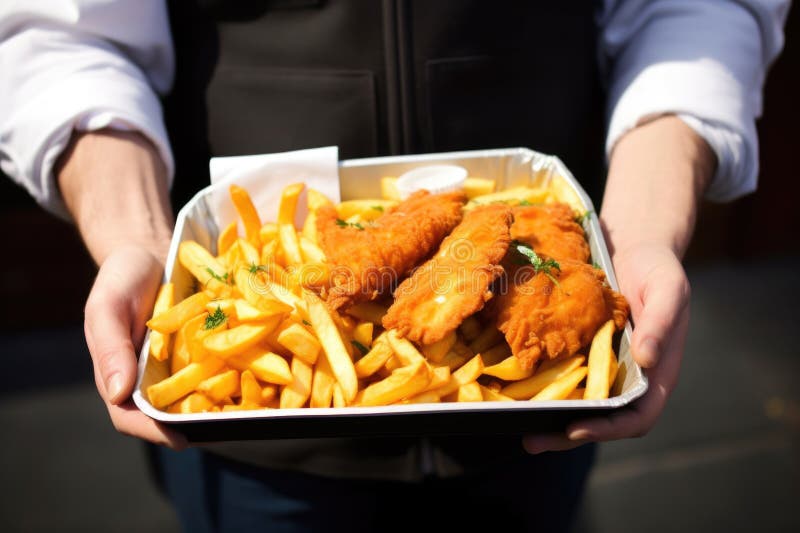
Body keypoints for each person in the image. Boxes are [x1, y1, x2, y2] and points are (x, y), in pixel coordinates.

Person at [0, 1, 789, 531]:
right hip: (255, 457)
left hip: (530, 442)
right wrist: (138, 235)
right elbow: (62, 29)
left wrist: (644, 223)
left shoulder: (528, 236)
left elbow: (698, 5)